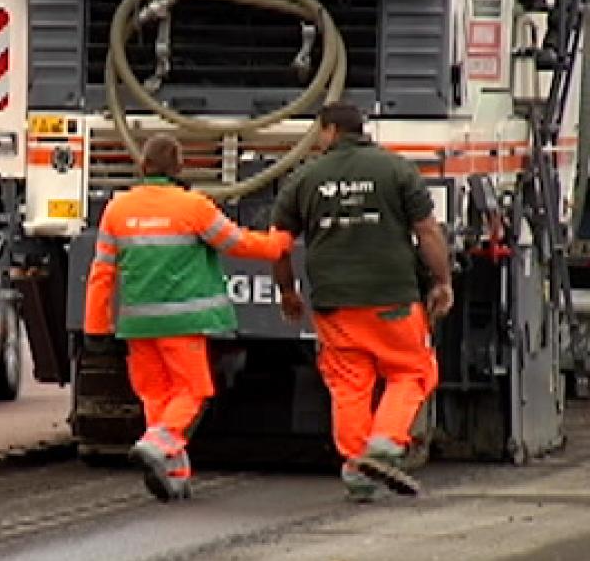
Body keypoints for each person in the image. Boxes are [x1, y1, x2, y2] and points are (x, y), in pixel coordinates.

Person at [84, 133, 293, 501]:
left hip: (138, 324)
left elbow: (101, 274)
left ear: (142, 166)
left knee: (156, 394)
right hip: (184, 324)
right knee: (193, 391)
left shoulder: (117, 210)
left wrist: (96, 328)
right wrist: (278, 244)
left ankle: (173, 471)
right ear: (179, 167)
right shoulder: (193, 207)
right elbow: (238, 243)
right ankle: (158, 443)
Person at [270, 102, 453, 503]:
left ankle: (357, 470)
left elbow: (278, 245)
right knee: (412, 372)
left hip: (334, 302)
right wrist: (442, 281)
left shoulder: (304, 178)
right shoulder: (397, 170)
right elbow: (427, 231)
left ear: (331, 131)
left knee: (350, 382)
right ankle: (384, 445)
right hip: (393, 300)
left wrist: (287, 291)